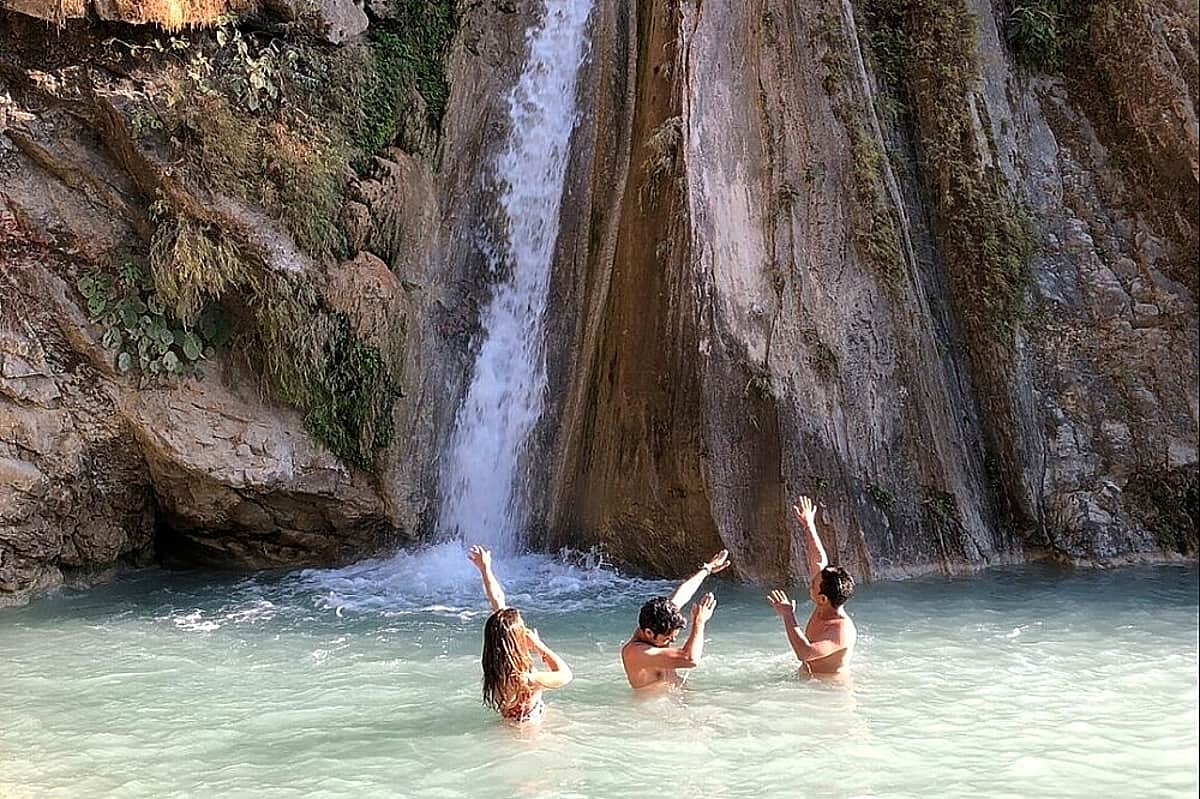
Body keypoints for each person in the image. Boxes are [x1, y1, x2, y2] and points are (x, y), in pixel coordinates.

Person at [468, 545, 572, 723]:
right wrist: (539, 646)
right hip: (530, 734)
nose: (525, 630)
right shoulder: (527, 679)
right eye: (522, 627)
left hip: (513, 724)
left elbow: (498, 601)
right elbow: (565, 675)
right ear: (516, 640)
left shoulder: (499, 667)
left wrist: (485, 570)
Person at [766, 496, 857, 677]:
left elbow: (805, 653)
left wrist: (788, 615)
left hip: (829, 692)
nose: (810, 582)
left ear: (823, 598)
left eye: (813, 584)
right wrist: (808, 526)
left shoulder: (841, 630)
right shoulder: (824, 605)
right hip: (807, 681)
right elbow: (818, 561)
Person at [620, 549, 731, 689]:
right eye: (667, 638)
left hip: (677, 701)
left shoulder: (659, 623)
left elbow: (682, 593)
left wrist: (707, 568)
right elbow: (690, 659)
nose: (672, 641)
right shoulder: (635, 653)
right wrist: (699, 621)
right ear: (648, 633)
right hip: (657, 709)